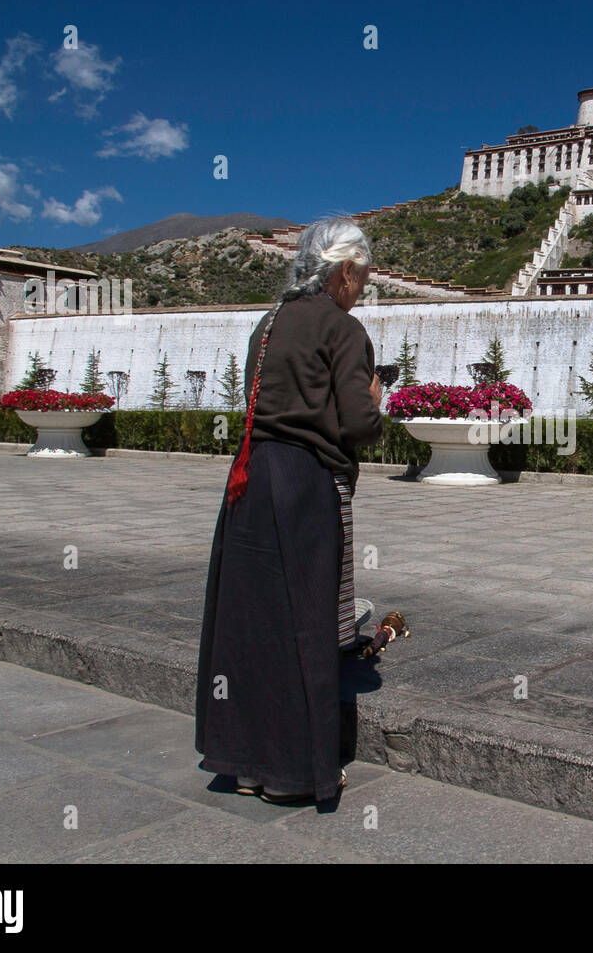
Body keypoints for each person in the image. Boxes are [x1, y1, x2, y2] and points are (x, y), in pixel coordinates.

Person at [195, 217, 384, 806]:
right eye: (363, 276)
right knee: (305, 623)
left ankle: (244, 763)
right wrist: (378, 401)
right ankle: (296, 773)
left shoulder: (268, 323)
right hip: (304, 484)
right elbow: (356, 424)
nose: (362, 288)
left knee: (251, 623)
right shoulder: (343, 329)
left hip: (250, 479)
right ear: (345, 271)